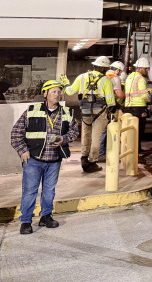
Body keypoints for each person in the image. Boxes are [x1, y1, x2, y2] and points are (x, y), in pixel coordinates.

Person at [10, 79, 80, 234]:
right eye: (54, 91)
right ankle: (26, 221)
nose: (57, 94)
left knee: (49, 190)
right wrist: (23, 151)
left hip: (54, 161)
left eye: (59, 91)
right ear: (45, 94)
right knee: (29, 191)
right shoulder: (32, 110)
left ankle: (46, 216)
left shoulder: (67, 113)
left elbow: (74, 132)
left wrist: (64, 139)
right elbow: (16, 133)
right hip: (33, 160)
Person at [63, 56, 116, 173]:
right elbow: (111, 102)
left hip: (85, 112)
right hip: (100, 113)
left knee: (86, 136)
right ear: (104, 68)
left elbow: (70, 91)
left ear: (94, 65)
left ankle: (84, 158)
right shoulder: (106, 80)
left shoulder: (81, 77)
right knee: (96, 137)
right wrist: (114, 113)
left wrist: (65, 84)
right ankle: (92, 162)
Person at [98, 61, 127, 160]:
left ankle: (101, 152)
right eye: (120, 71)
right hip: (109, 107)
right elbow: (119, 94)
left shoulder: (105, 75)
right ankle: (102, 154)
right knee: (106, 130)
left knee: (100, 130)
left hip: (100, 106)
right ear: (118, 70)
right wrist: (129, 95)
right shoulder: (115, 78)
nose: (120, 73)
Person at [124, 57, 151, 153]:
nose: (147, 70)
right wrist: (150, 100)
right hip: (139, 108)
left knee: (130, 130)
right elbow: (144, 95)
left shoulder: (129, 77)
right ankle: (136, 150)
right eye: (145, 68)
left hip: (128, 107)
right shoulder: (141, 79)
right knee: (139, 130)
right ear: (139, 68)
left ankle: (130, 149)